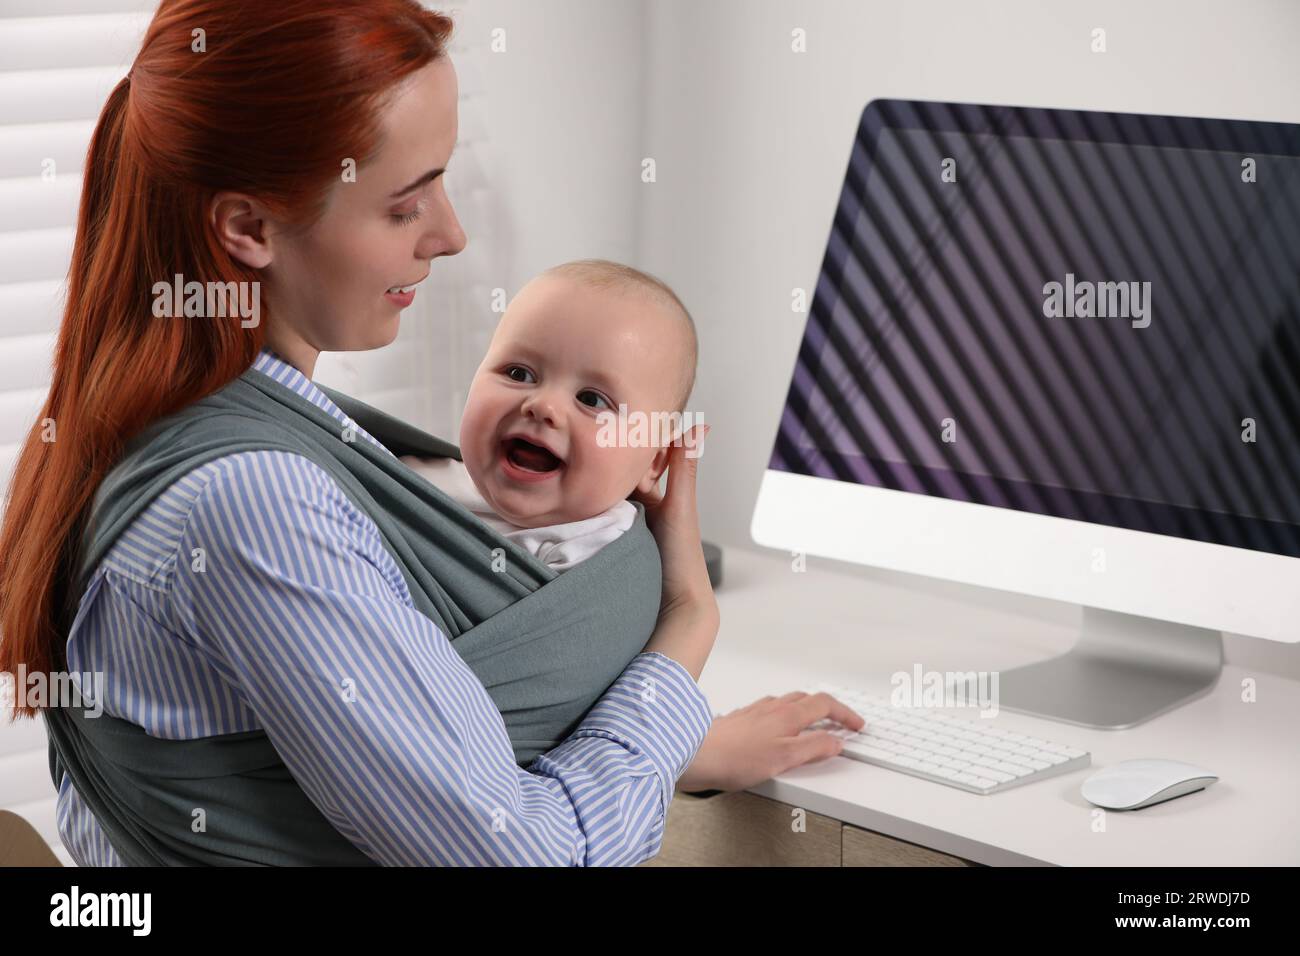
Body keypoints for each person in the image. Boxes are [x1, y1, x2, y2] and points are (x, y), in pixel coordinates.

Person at [0, 0, 861, 866]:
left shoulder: (159, 427)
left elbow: (386, 746)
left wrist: (680, 748)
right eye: (406, 206)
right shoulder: (254, 500)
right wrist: (683, 637)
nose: (451, 236)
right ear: (249, 228)